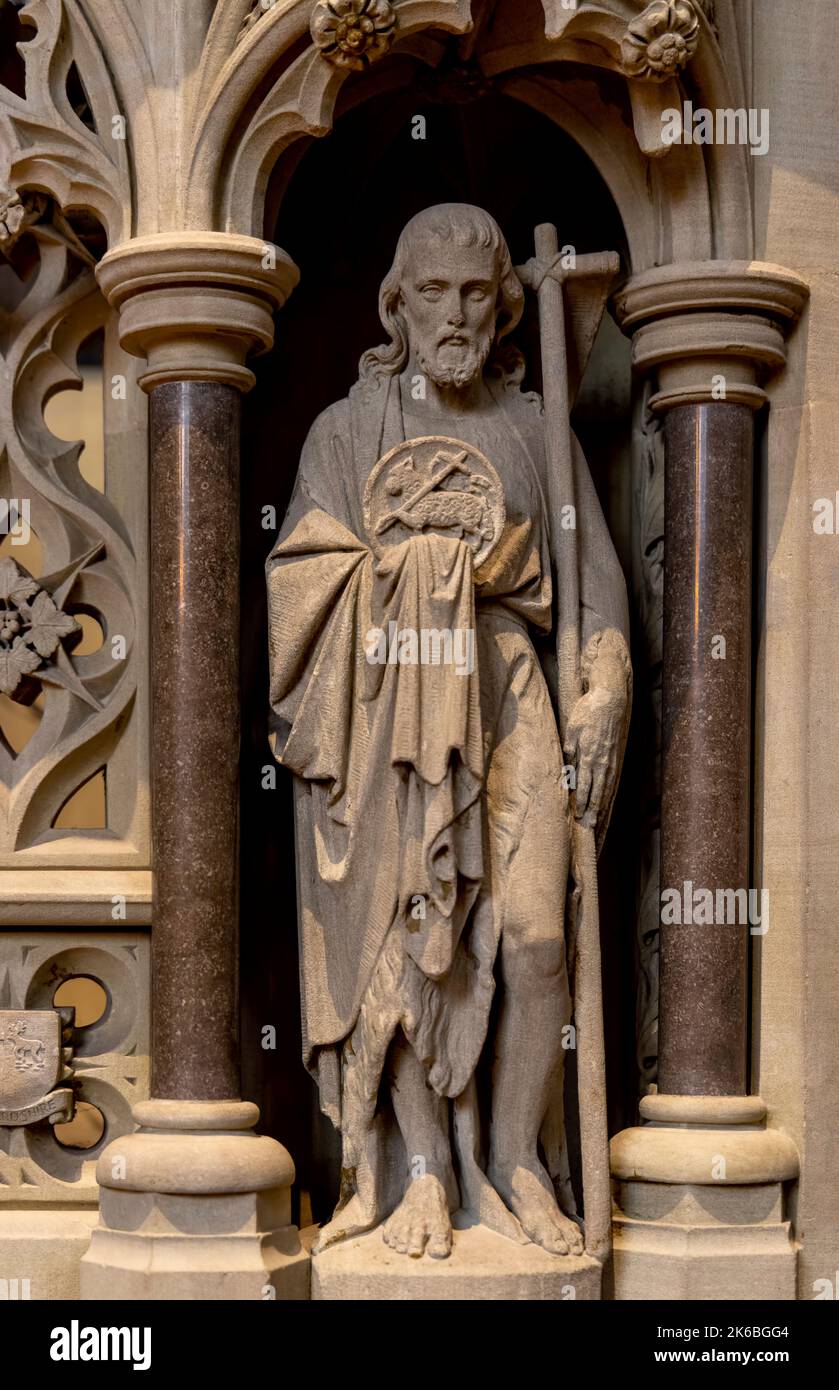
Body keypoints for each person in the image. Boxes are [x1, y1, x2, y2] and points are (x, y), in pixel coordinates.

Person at [266, 204, 631, 1259]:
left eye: (476, 292)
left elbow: (596, 589)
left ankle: (514, 1150)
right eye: (432, 293)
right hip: (386, 708)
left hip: (508, 686)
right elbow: (299, 582)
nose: (455, 313)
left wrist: (601, 675)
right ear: (397, 302)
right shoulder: (346, 428)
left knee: (535, 936)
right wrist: (410, 573)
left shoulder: (534, 429)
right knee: (402, 941)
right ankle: (422, 1165)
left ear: (504, 301)